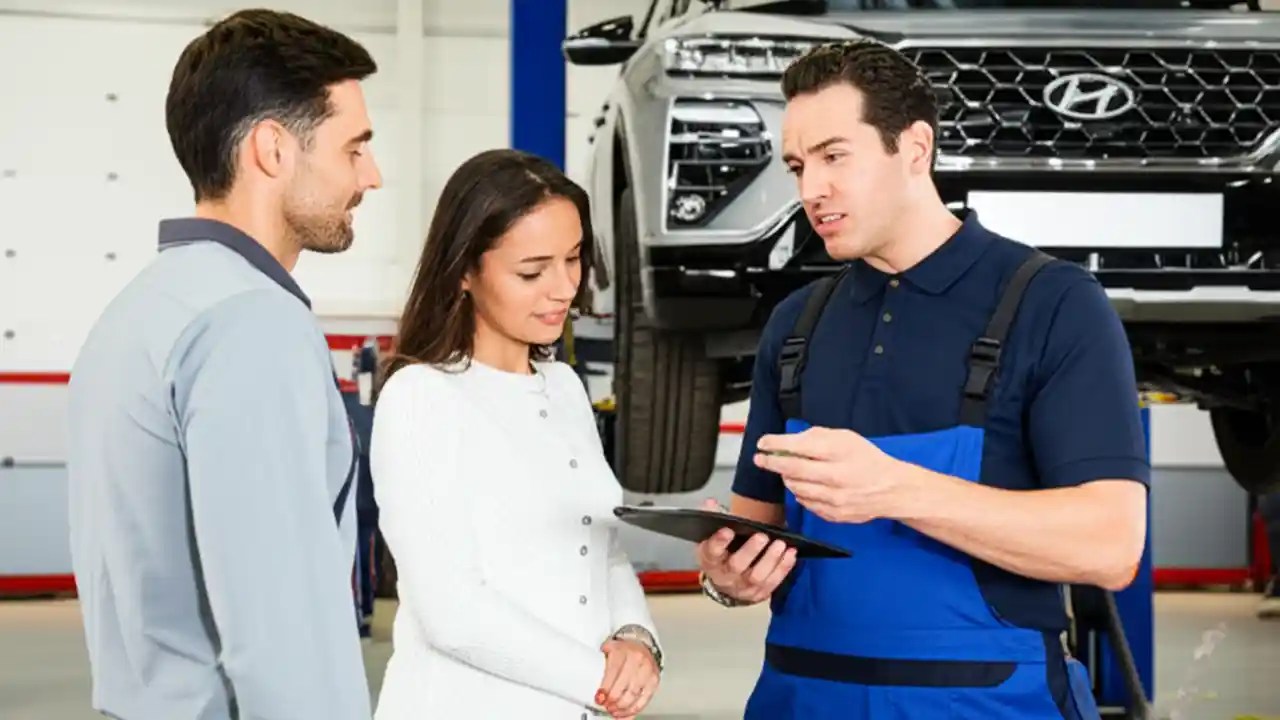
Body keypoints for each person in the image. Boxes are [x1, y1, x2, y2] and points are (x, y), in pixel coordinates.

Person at [694, 39, 1150, 719]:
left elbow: (1110, 546)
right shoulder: (796, 327)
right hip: (802, 698)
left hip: (988, 703)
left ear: (914, 148)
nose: (810, 189)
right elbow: (754, 527)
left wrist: (896, 489)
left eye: (834, 156)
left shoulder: (1052, 305)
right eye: (797, 166)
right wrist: (727, 579)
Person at [65, 9, 383, 720]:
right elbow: (280, 630)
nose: (373, 175)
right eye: (354, 148)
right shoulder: (251, 322)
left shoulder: (143, 310)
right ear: (273, 149)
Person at [370, 148, 662, 720]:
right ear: (463, 271)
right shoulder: (422, 397)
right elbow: (451, 609)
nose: (564, 289)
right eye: (532, 271)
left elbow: (599, 544)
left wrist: (636, 639)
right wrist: (600, 680)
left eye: (573, 260)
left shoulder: (564, 389)